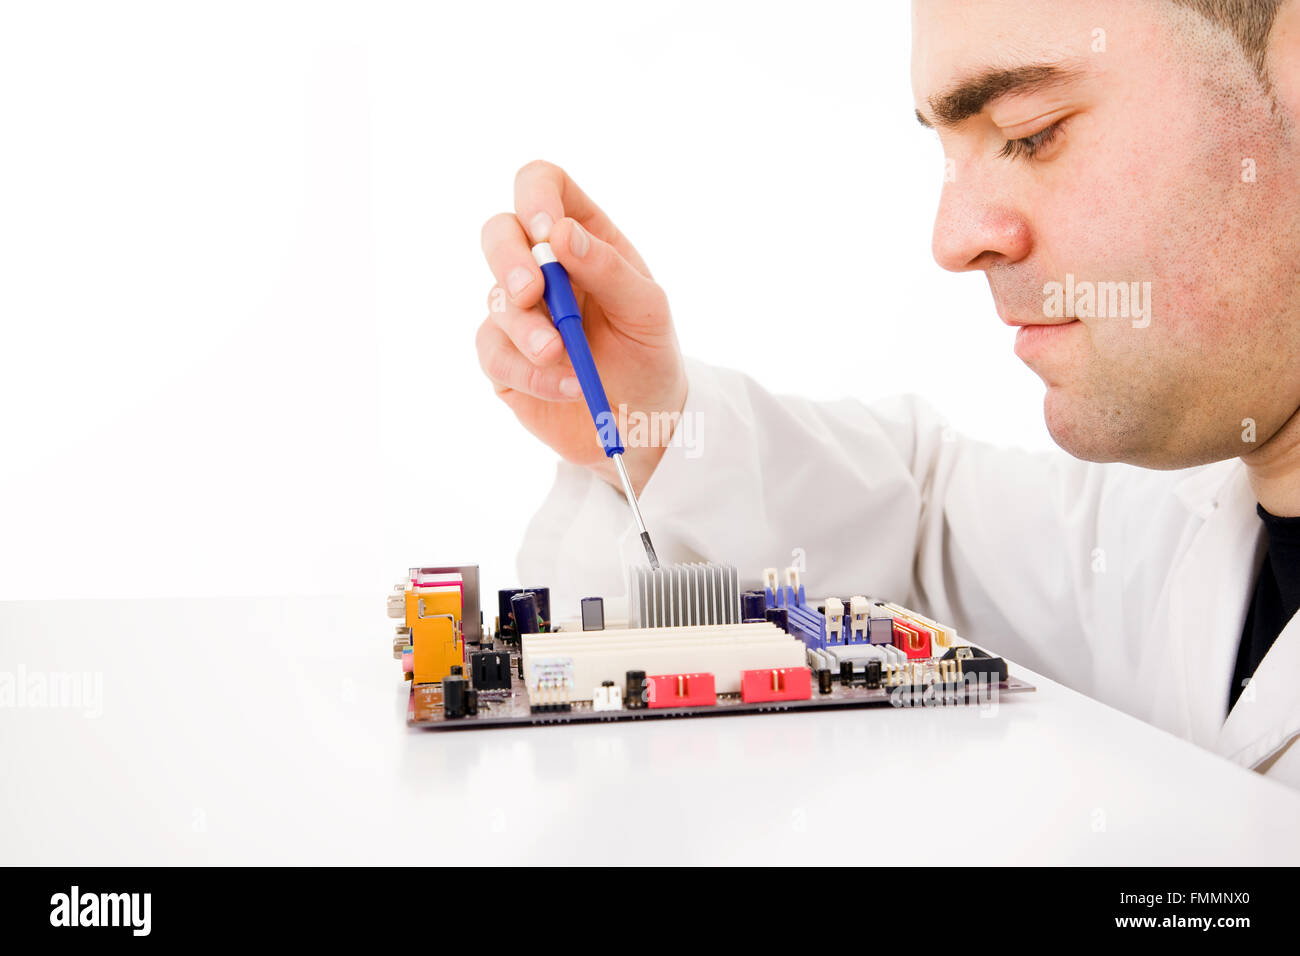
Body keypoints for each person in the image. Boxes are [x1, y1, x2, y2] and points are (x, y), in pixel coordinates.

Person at [475, 0, 1300, 786]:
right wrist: (659, 425)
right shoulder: (1164, 528)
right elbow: (921, 524)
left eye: (1031, 133)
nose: (952, 241)